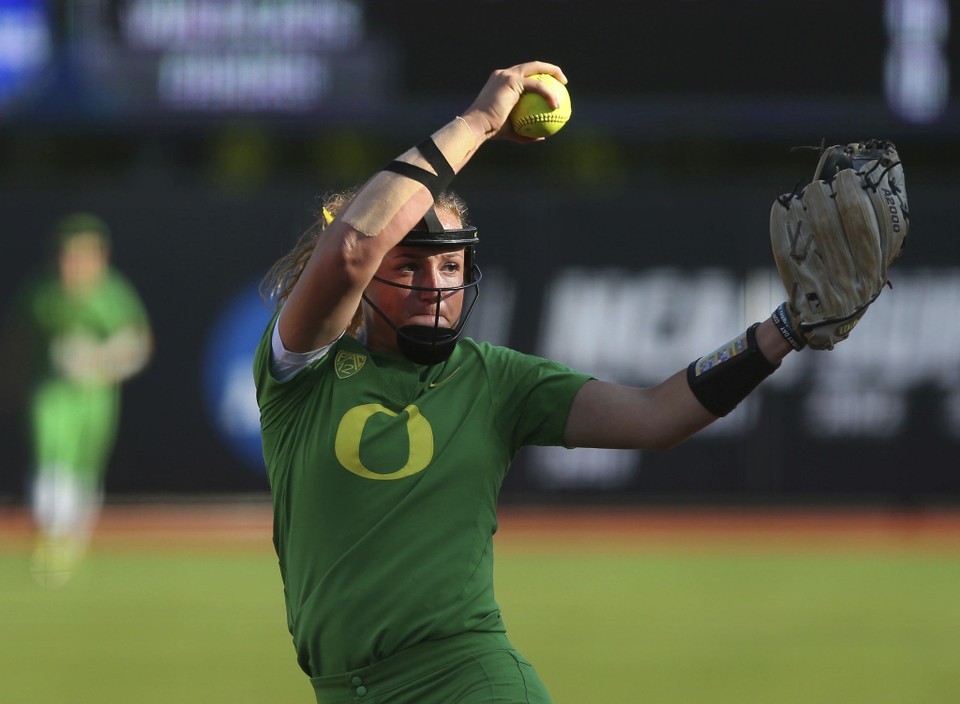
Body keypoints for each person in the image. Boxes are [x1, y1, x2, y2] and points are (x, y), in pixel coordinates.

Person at [255, 61, 794, 703]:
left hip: (466, 680)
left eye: (451, 266)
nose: (436, 289)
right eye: (410, 267)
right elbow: (350, 249)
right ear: (369, 281)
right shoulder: (301, 371)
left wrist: (783, 330)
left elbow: (656, 415)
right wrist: (479, 123)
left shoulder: (496, 380)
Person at [10, 213, 153, 587]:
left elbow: (138, 343)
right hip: (52, 393)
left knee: (85, 467)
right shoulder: (42, 293)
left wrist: (103, 359)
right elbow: (19, 339)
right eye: (69, 255)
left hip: (97, 397)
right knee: (52, 455)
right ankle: (50, 537)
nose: (75, 265)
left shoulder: (113, 294)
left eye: (85, 255)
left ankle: (72, 539)